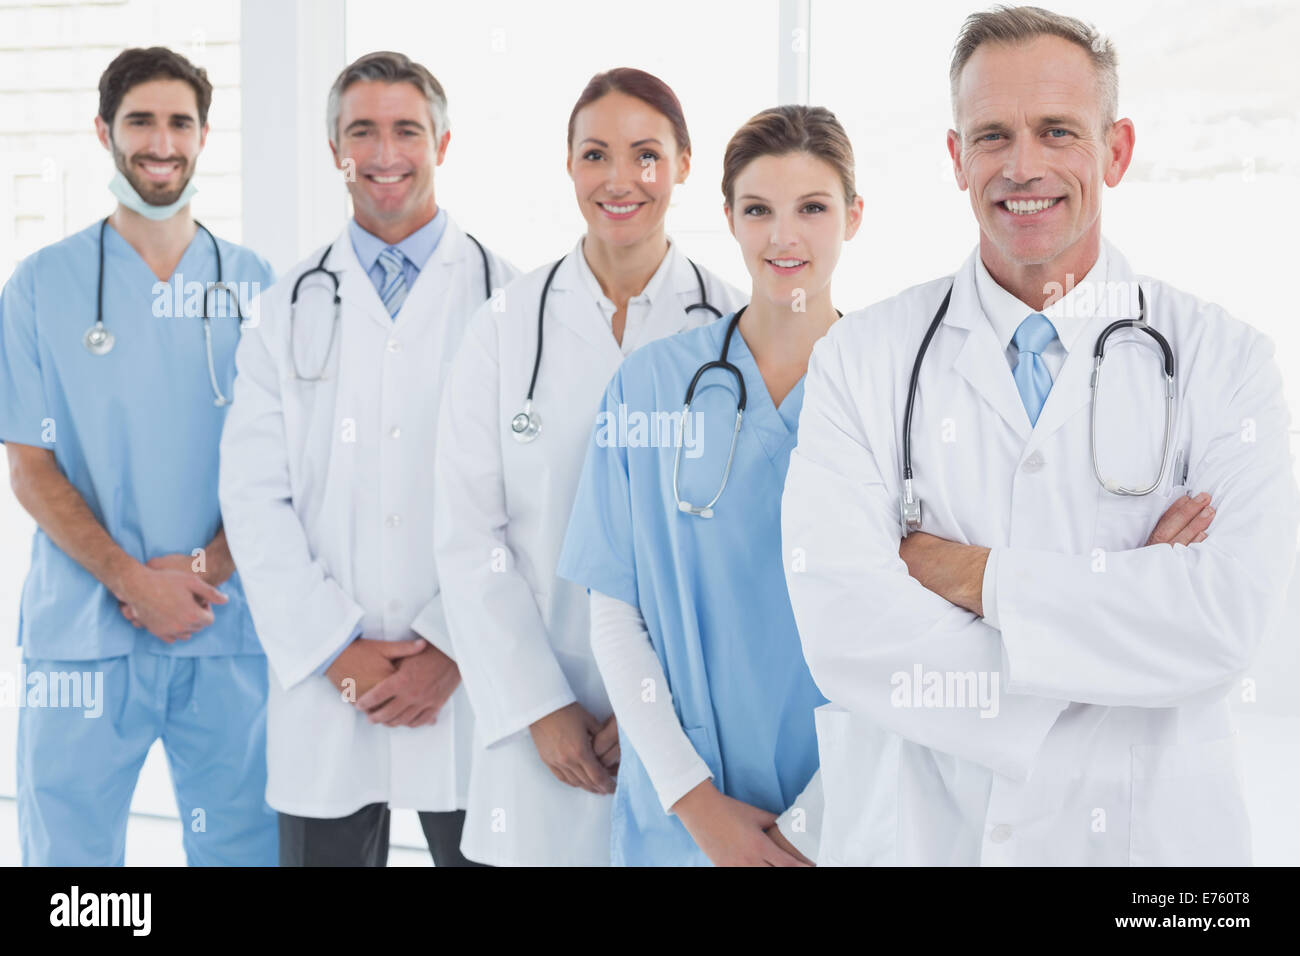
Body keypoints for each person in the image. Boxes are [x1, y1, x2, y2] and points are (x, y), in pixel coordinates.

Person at [782, 5, 1299, 866]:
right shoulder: (862, 361)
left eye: (1058, 130)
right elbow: (842, 626)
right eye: (992, 135)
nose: (1024, 167)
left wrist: (966, 574)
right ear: (955, 158)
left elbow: (1223, 623)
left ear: (1117, 150)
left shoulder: (1228, 361)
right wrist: (1122, 627)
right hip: (926, 837)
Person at [434, 68, 744, 867]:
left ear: (681, 165)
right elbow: (470, 537)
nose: (620, 179)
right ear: (569, 166)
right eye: (595, 154)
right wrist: (540, 705)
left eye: (646, 155)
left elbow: (740, 549)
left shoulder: (736, 328)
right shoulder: (503, 331)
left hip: (691, 718)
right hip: (542, 721)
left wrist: (653, 705)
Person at [218, 51, 518, 867]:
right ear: (335, 151)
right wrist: (332, 649)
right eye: (363, 131)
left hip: (468, 682)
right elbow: (252, 499)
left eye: (407, 130)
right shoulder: (283, 307)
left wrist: (451, 646)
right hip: (328, 688)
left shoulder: (512, 303)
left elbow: (535, 498)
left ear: (443, 144)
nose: (386, 153)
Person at [557, 105, 863, 866]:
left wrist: (810, 827)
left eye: (813, 208)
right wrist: (698, 809)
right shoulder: (649, 389)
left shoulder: (889, 395)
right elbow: (615, 617)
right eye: (758, 209)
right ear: (728, 217)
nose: (783, 237)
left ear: (853, 217)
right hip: (683, 820)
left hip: (849, 812)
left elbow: (918, 630)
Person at [0, 47, 277, 866]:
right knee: (74, 882)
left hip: (224, 627)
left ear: (203, 134)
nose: (162, 141)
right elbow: (30, 465)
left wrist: (202, 570)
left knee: (245, 852)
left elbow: (281, 469)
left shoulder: (256, 286)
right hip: (85, 635)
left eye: (180, 122)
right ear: (103, 132)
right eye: (140, 121)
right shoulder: (40, 286)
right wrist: (135, 582)